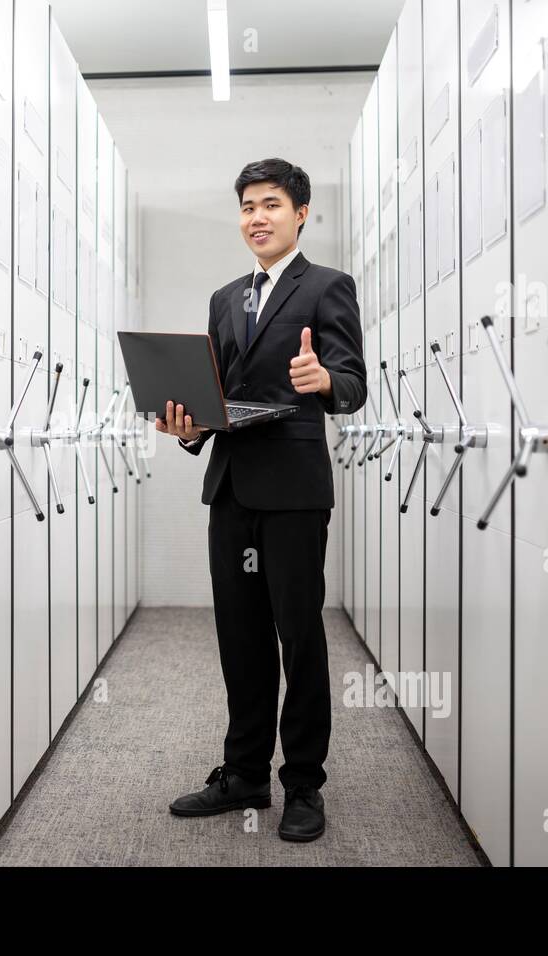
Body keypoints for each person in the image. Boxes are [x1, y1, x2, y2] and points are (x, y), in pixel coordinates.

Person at [157, 158, 367, 842]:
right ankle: (244, 771)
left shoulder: (328, 288)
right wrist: (186, 426)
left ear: (300, 213)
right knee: (239, 639)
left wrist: (322, 379)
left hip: (295, 490)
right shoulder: (225, 298)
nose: (257, 216)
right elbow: (215, 393)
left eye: (271, 204)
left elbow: (354, 384)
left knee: (299, 637)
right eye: (248, 205)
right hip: (232, 487)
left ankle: (303, 782)